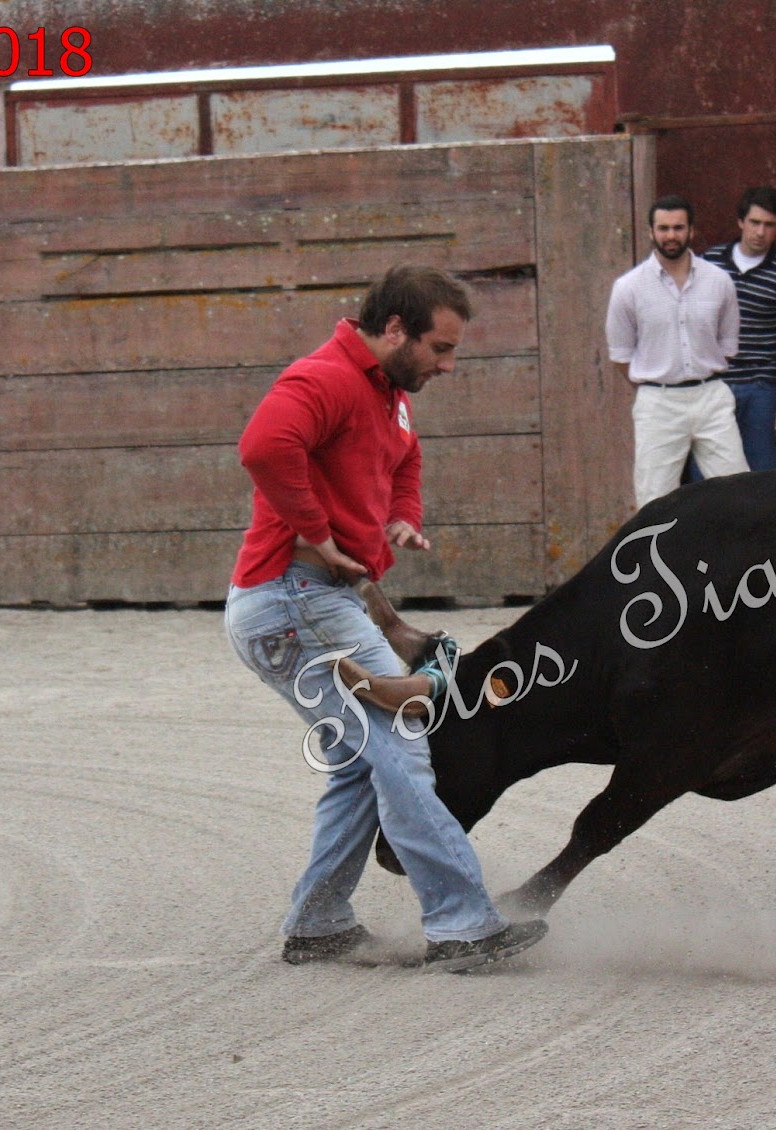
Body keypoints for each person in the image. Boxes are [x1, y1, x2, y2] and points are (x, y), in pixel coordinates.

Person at [224, 265, 547, 973]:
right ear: (394, 330)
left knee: (358, 764)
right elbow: (261, 449)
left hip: (302, 603)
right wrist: (316, 530)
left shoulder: (388, 393)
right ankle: (462, 924)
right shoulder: (324, 379)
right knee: (399, 747)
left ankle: (319, 924)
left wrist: (403, 517)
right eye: (440, 348)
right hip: (294, 601)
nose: (448, 364)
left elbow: (406, 456)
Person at [606, 194, 750, 507]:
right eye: (664, 228)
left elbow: (727, 344)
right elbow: (620, 355)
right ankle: (653, 557)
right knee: (654, 498)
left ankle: (738, 556)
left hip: (710, 394)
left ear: (691, 231)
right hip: (658, 401)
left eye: (678, 227)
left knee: (738, 489)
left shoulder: (719, 282)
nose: (671, 235)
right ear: (651, 232)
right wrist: (657, 385)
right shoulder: (628, 287)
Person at [700, 186, 776, 471]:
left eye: (769, 225)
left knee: (764, 483)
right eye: (754, 222)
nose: (760, 232)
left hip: (762, 389)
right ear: (740, 222)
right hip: (713, 386)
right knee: (706, 481)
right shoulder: (708, 265)